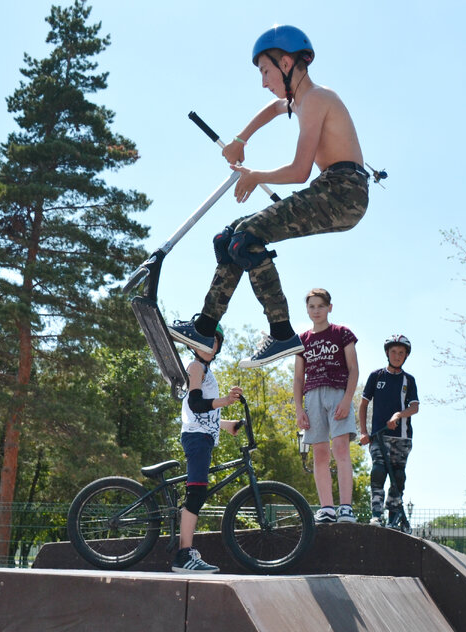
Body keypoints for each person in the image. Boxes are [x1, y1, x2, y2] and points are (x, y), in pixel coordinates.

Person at [169, 24, 369, 369]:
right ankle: (203, 327)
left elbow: (299, 170)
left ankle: (281, 333)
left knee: (247, 238)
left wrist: (257, 175)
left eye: (266, 71)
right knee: (229, 238)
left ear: (287, 63)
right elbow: (272, 108)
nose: (264, 81)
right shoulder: (299, 101)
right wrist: (240, 139)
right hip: (330, 190)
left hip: (344, 193)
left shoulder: (319, 99)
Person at [174, 323, 244, 573]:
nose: (210, 345)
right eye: (205, 340)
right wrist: (224, 400)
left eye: (214, 341)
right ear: (194, 344)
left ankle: (185, 552)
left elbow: (203, 414)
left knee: (197, 492)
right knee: (196, 494)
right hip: (197, 439)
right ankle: (184, 555)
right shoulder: (195, 367)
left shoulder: (204, 369)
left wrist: (227, 425)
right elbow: (194, 404)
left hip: (202, 436)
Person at [293, 288, 359, 524]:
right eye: (312, 306)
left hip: (338, 393)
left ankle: (346, 508)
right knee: (319, 454)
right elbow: (299, 378)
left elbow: (353, 369)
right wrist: (299, 409)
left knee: (340, 449)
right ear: (307, 310)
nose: (316, 310)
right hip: (312, 396)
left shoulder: (342, 333)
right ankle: (327, 508)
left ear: (329, 307)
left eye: (321, 305)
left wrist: (346, 399)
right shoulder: (302, 340)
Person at [357, 335, 419, 527]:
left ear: (406, 355)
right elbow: (363, 405)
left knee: (398, 476)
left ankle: (394, 516)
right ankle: (376, 514)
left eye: (401, 353)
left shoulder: (409, 380)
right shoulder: (376, 376)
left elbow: (415, 407)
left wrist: (398, 415)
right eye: (393, 351)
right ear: (387, 353)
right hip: (379, 435)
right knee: (378, 471)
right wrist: (364, 432)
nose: (397, 355)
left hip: (402, 436)